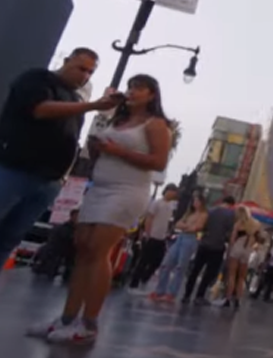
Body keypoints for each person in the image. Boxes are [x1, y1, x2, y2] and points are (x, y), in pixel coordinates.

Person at [30, 74, 172, 345]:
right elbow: (102, 152)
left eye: (139, 88)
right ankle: (67, 318)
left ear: (152, 95)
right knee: (82, 247)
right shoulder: (118, 120)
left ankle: (89, 325)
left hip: (127, 191)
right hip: (100, 187)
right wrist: (99, 149)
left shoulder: (156, 125)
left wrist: (116, 151)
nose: (132, 92)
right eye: (130, 87)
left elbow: (158, 161)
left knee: (98, 250)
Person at [0, 48, 111, 331]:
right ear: (67, 62)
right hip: (10, 169)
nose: (85, 75)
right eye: (81, 68)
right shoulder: (37, 79)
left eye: (90, 71)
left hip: (46, 181)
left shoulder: (75, 102)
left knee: (5, 241)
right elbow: (40, 109)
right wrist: (92, 107)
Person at [150, 193, 207, 303]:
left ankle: (171, 293)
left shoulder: (203, 214)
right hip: (181, 237)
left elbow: (197, 227)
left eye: (197, 201)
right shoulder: (189, 213)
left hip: (190, 239)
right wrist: (187, 226)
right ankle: (160, 290)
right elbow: (178, 224)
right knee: (166, 264)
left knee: (180, 267)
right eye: (194, 201)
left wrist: (186, 226)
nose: (195, 203)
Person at [182, 195, 237, 305]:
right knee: (209, 273)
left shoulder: (210, 211)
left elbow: (203, 226)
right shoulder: (231, 215)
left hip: (204, 244)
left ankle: (186, 295)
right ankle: (200, 295)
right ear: (232, 204)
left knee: (195, 270)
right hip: (218, 247)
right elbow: (230, 232)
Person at [130, 183, 178, 288]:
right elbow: (149, 218)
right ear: (168, 191)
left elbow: (168, 221)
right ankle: (134, 283)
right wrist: (148, 233)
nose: (174, 195)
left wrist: (167, 232)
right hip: (152, 236)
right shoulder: (157, 203)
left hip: (161, 237)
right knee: (144, 260)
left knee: (158, 260)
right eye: (173, 192)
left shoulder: (170, 206)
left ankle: (144, 278)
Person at [222, 206, 261, 309]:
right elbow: (258, 239)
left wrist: (229, 251)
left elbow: (232, 239)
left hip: (237, 249)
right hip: (247, 250)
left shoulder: (238, 224)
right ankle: (238, 300)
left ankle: (228, 298)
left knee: (232, 275)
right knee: (241, 277)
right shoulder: (256, 224)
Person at [253, 235, 273, 302]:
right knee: (271, 283)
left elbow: (272, 257)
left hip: (272, 267)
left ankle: (257, 294)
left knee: (264, 280)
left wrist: (267, 263)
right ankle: (266, 297)